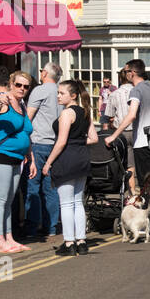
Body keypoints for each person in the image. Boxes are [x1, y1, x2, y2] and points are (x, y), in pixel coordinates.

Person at [0, 68, 36, 254]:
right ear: (11, 84)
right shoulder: (3, 101)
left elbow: (25, 133)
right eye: (18, 85)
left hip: (18, 158)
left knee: (9, 200)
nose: (21, 89)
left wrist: (31, 158)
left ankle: (9, 238)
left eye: (25, 86)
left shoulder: (22, 105)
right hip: (0, 155)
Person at [104, 59, 150, 229]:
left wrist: (113, 135)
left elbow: (131, 115)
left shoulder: (136, 90)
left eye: (126, 70)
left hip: (143, 139)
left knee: (146, 181)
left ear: (132, 73)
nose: (125, 73)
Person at [42, 79, 97, 256]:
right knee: (77, 202)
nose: (58, 96)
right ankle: (81, 241)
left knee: (66, 204)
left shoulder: (67, 113)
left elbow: (61, 142)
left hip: (66, 158)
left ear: (73, 95)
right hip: (81, 157)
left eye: (61, 93)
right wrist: (79, 142)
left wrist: (48, 162)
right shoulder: (85, 112)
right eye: (58, 93)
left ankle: (68, 242)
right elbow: (94, 138)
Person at [24, 61, 62, 242]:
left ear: (45, 74)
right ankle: (51, 226)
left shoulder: (39, 91)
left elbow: (28, 118)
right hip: (56, 145)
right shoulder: (62, 92)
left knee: (33, 186)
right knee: (51, 188)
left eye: (41, 71)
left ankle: (32, 227)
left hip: (38, 143)